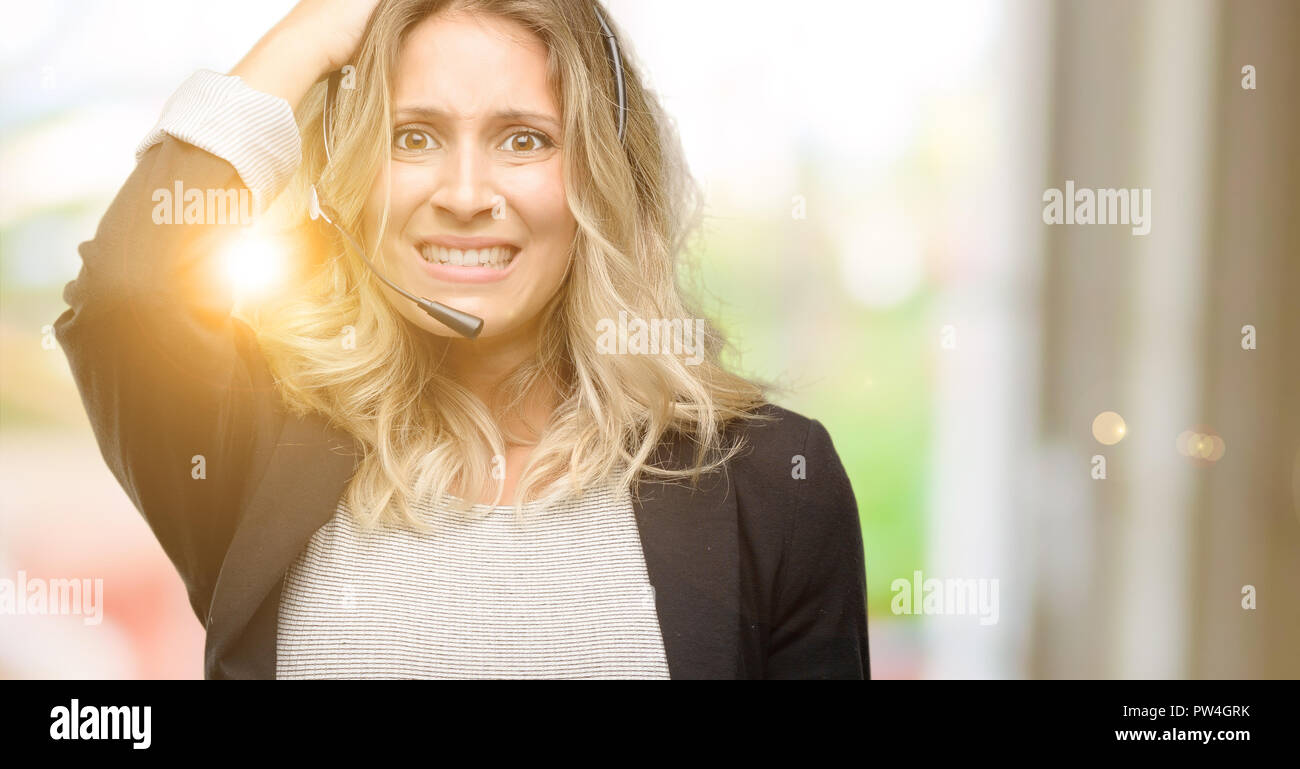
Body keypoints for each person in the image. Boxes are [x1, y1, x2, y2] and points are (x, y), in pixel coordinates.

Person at [55, 0, 870, 679]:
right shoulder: (257, 441)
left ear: (600, 173)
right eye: (414, 136)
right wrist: (312, 34)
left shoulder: (773, 487)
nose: (467, 193)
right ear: (354, 172)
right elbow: (130, 291)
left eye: (524, 138)